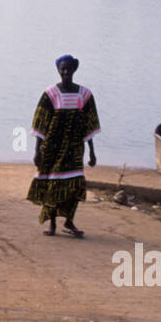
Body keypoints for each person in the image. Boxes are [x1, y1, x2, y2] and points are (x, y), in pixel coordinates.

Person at [26, 54, 100, 237]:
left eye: (69, 69)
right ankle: (51, 224)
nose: (66, 72)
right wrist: (37, 151)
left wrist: (92, 152)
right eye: (62, 69)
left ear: (74, 70)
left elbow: (89, 125)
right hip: (52, 147)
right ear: (58, 70)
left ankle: (69, 221)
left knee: (74, 185)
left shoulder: (85, 94)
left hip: (74, 148)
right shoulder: (50, 93)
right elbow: (41, 123)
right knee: (53, 184)